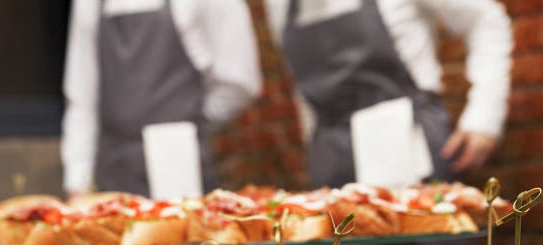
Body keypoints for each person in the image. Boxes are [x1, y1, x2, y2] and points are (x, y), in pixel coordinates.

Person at [264, 0, 512, 189]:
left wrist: (485, 117)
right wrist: (315, 150)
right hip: (333, 156)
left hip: (412, 146)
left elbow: (485, 19)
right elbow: (302, 87)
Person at [62, 0, 262, 198]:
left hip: (178, 161)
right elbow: (81, 95)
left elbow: (239, 84)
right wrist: (78, 181)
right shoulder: (89, 4)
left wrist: (192, 122)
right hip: (112, 164)